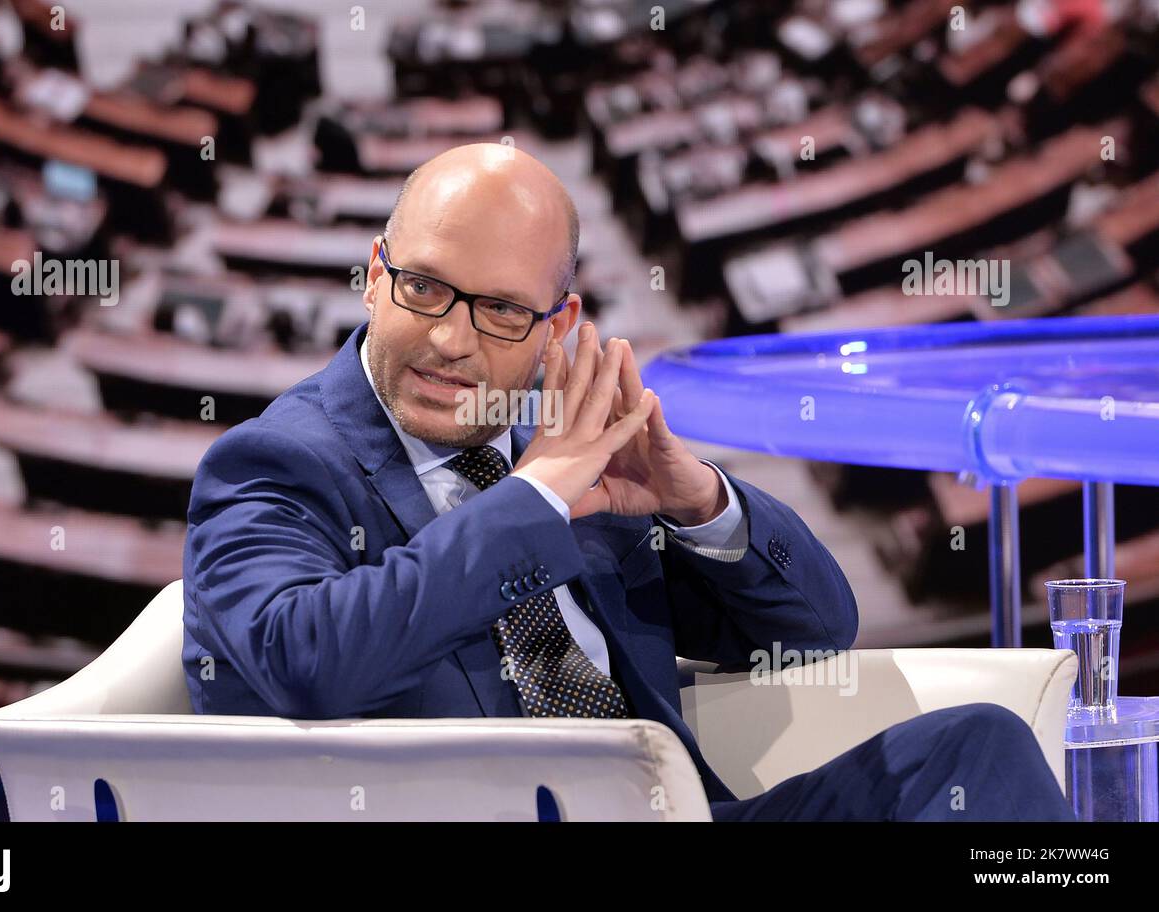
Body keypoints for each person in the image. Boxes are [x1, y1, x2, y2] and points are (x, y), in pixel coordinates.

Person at [183, 142, 1074, 821]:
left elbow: (814, 633)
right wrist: (532, 500)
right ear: (375, 277)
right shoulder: (278, 463)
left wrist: (699, 505)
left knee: (978, 750)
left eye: (498, 310)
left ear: (556, 324)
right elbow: (306, 660)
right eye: (423, 288)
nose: (452, 340)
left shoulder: (570, 456)